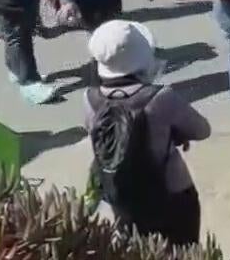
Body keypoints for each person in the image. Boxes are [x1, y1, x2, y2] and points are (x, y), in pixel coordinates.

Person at [85, 20, 210, 243]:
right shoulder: (160, 97)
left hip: (122, 195)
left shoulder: (90, 99)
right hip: (172, 192)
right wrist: (173, 132)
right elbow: (202, 130)